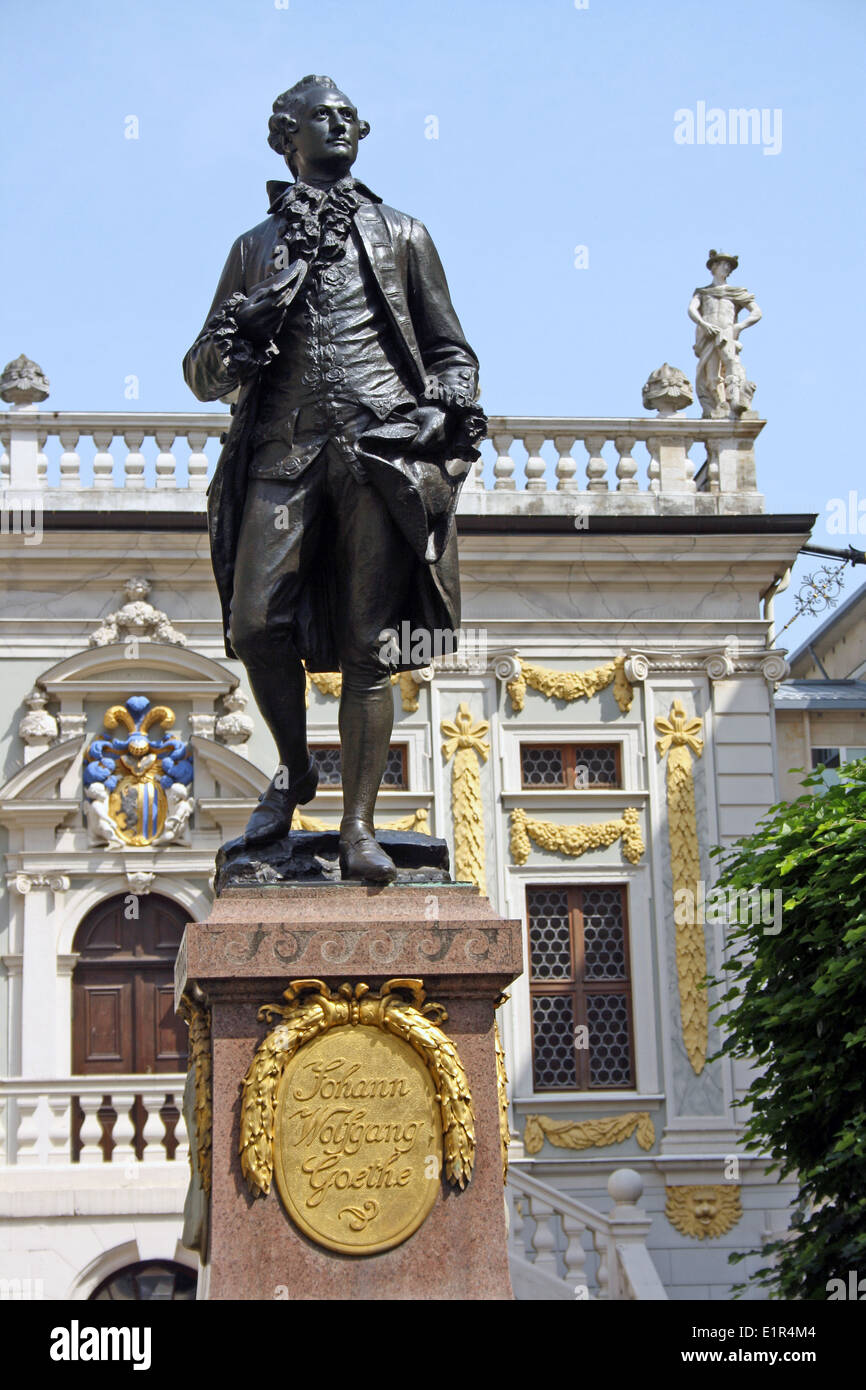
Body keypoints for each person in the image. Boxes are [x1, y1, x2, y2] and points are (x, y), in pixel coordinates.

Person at [183, 76, 484, 882]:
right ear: (287, 134)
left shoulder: (404, 233)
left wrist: (441, 409)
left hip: (377, 454)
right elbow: (200, 371)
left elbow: (452, 350)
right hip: (282, 456)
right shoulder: (253, 247)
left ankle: (357, 828)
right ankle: (296, 766)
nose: (341, 122)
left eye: (350, 115)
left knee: (368, 647)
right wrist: (235, 347)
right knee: (253, 625)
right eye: (324, 114)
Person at [688, 251, 761, 418]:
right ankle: (719, 403)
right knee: (711, 373)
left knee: (730, 361)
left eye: (729, 266)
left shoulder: (735, 292)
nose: (727, 268)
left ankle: (734, 398)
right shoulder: (703, 292)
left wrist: (739, 327)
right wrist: (703, 324)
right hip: (707, 333)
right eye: (723, 264)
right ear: (714, 267)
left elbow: (756, 312)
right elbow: (691, 309)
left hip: (726, 331)